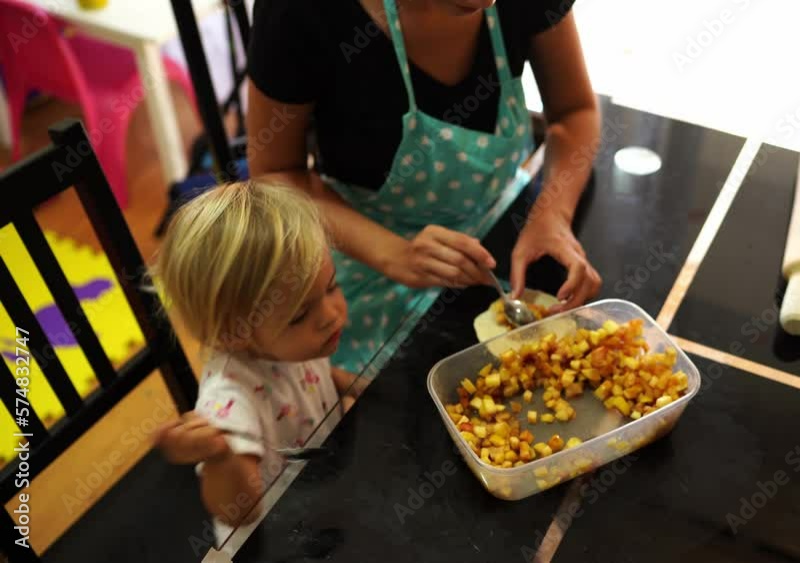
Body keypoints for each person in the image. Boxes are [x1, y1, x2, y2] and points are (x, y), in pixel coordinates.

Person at [246, 0, 603, 372]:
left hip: (498, 218)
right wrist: (394, 253)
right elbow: (276, 175)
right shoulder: (298, 10)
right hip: (365, 255)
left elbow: (574, 111)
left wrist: (553, 215)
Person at [151, 182, 360, 537]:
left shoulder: (297, 342)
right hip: (281, 534)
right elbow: (240, 512)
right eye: (299, 314)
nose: (330, 314)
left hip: (325, 490)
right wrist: (219, 455)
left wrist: (365, 387)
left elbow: (319, 377)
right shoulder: (230, 399)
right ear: (235, 333)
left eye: (331, 287)